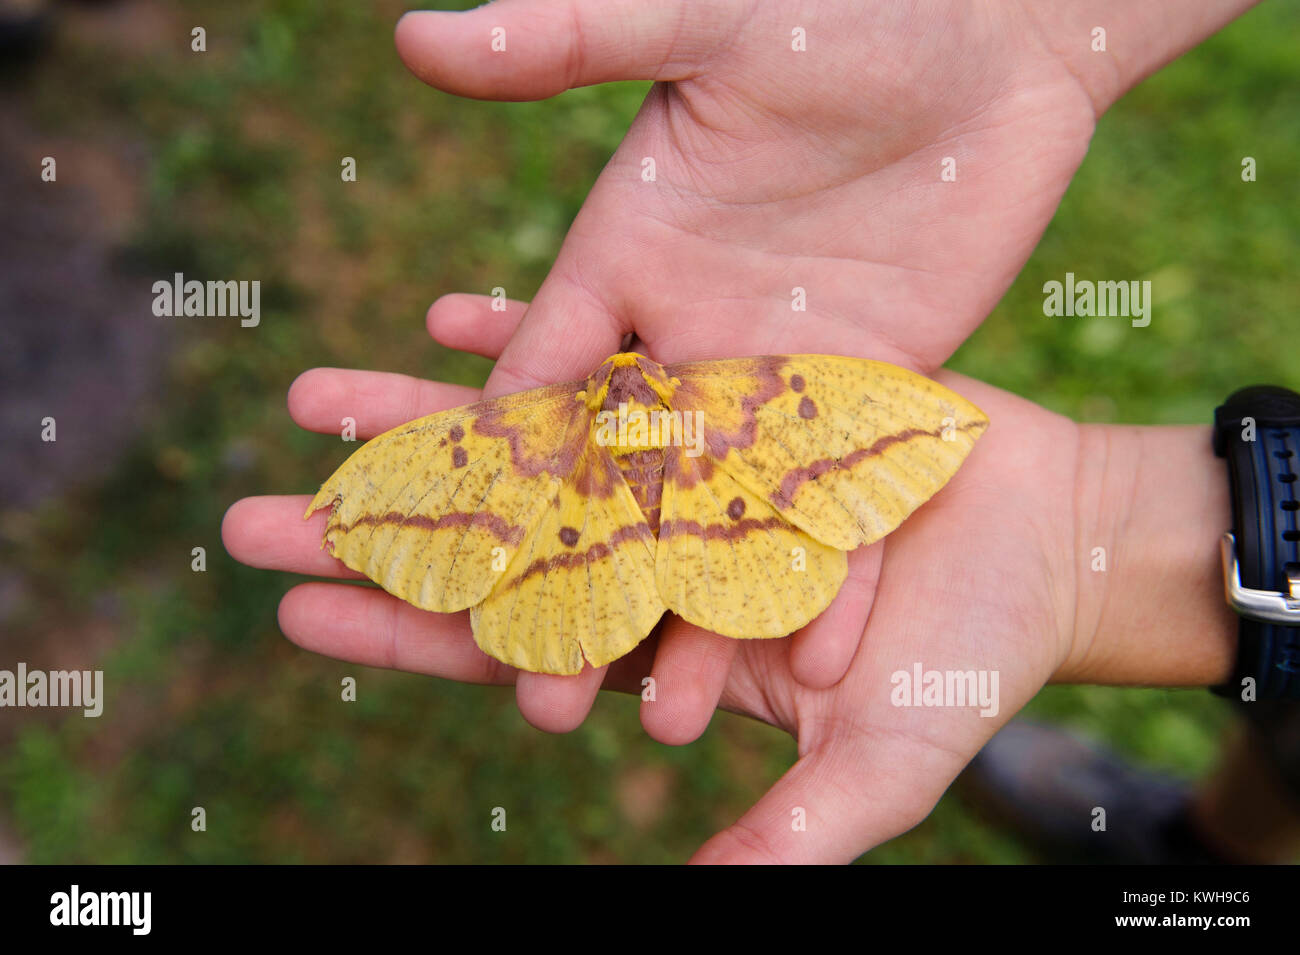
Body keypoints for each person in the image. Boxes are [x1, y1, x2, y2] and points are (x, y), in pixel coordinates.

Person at [223, 0, 1295, 863]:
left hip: (570, 510)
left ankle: (1206, 850)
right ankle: (1203, 847)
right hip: (728, 498)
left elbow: (916, 428)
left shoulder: (530, 429)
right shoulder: (751, 397)